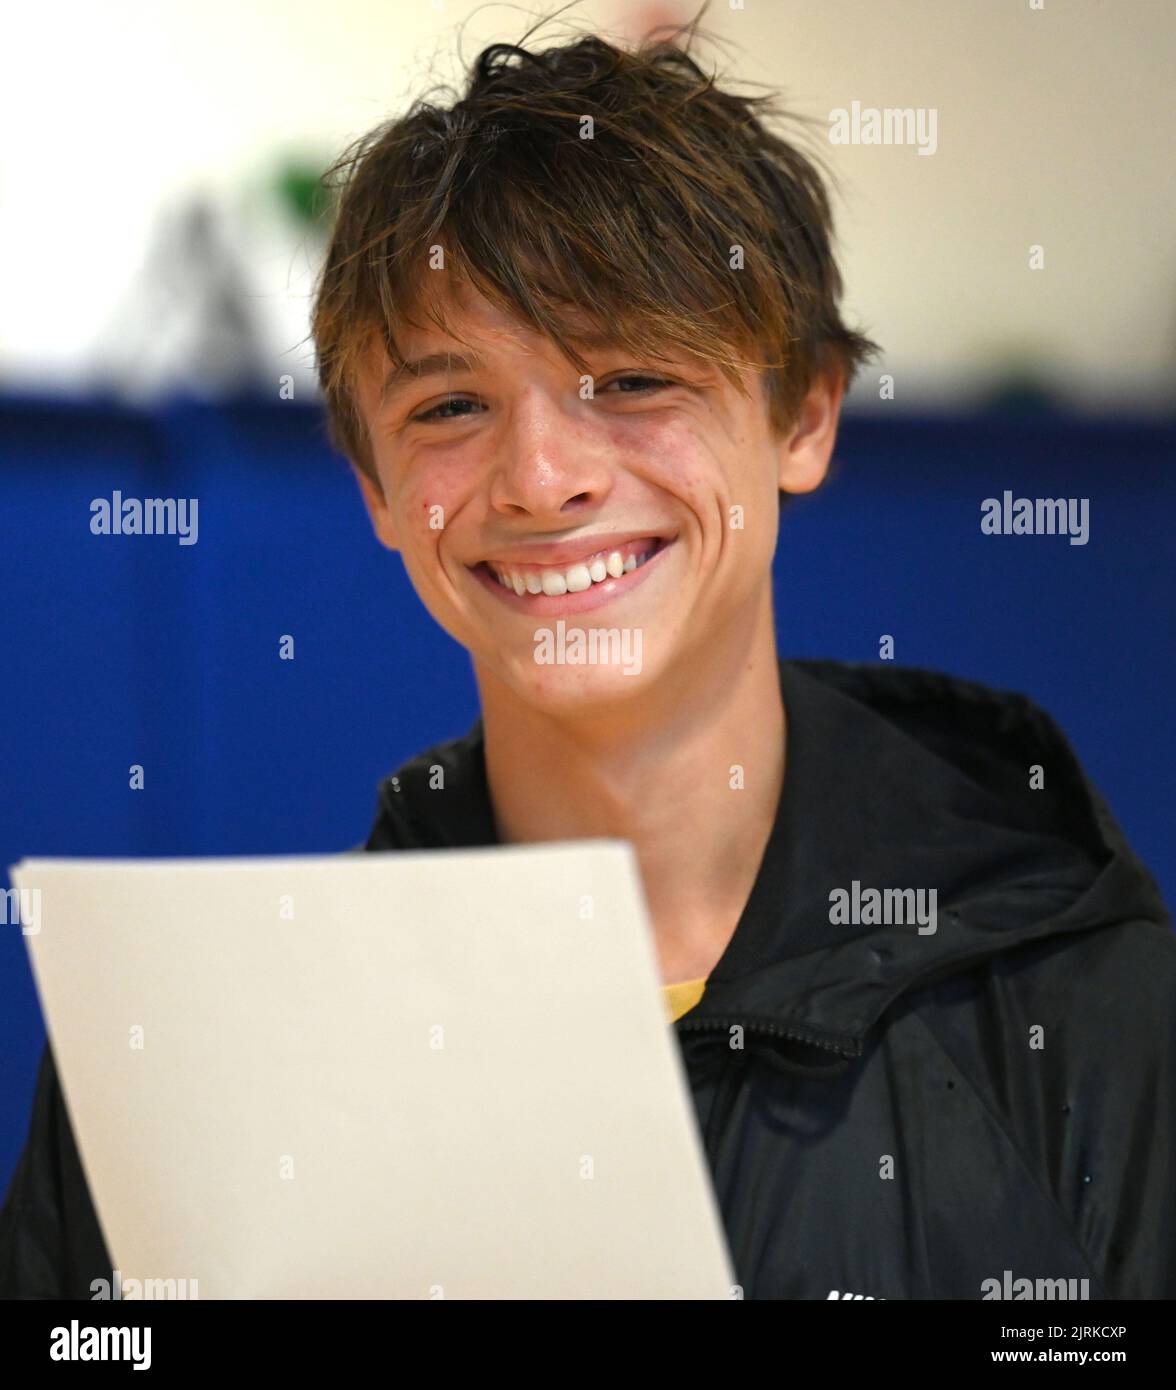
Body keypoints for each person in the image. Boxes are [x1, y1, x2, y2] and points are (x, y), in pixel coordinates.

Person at [4, 23, 1174, 1301]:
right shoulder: (188, 1056)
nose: (544, 479)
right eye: (450, 406)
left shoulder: (1096, 1018)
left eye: (630, 378)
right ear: (375, 486)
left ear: (806, 412)